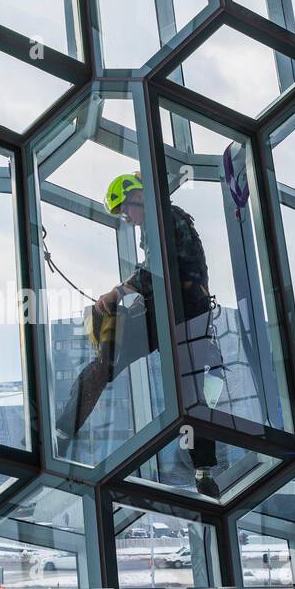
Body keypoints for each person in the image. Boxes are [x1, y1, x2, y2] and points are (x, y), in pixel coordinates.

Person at [54, 172, 222, 499]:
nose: (126, 219)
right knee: (181, 390)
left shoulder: (167, 220)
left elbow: (160, 269)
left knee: (187, 394)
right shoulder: (161, 223)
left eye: (125, 210)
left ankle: (202, 469)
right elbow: (154, 270)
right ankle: (64, 428)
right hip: (177, 315)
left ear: (139, 197)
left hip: (182, 315)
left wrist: (118, 292)